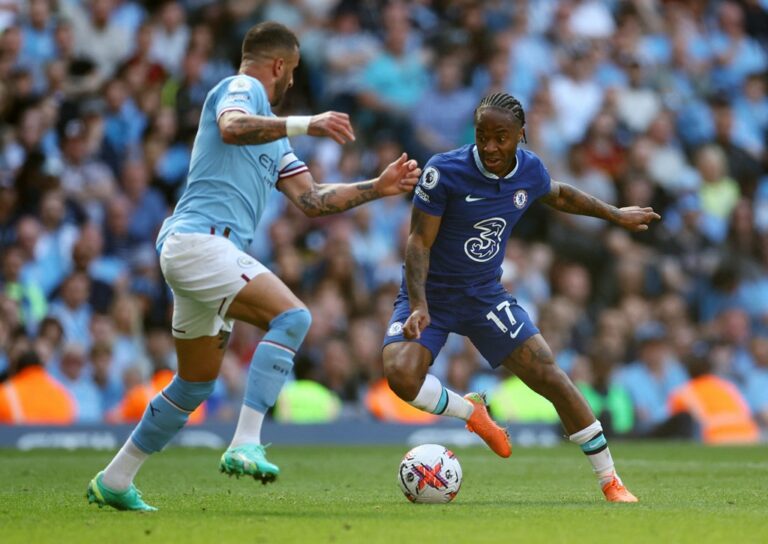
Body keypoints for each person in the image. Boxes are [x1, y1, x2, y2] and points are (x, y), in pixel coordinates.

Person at [86, 22, 420, 512]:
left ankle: (114, 480)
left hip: (201, 252)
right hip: (201, 241)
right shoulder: (240, 90)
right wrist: (309, 122)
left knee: (194, 382)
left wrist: (378, 186)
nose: (292, 83)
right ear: (279, 66)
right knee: (294, 316)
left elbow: (312, 199)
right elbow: (231, 126)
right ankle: (245, 441)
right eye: (293, 72)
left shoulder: (275, 139)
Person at [382, 92, 661, 503]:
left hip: (483, 296)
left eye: (501, 137)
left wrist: (615, 214)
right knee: (401, 375)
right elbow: (418, 243)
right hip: (432, 296)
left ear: (521, 136)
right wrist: (419, 304)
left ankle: (611, 482)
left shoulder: (529, 169)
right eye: (482, 136)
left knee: (551, 376)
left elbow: (560, 194)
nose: (491, 146)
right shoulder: (443, 172)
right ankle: (471, 413)